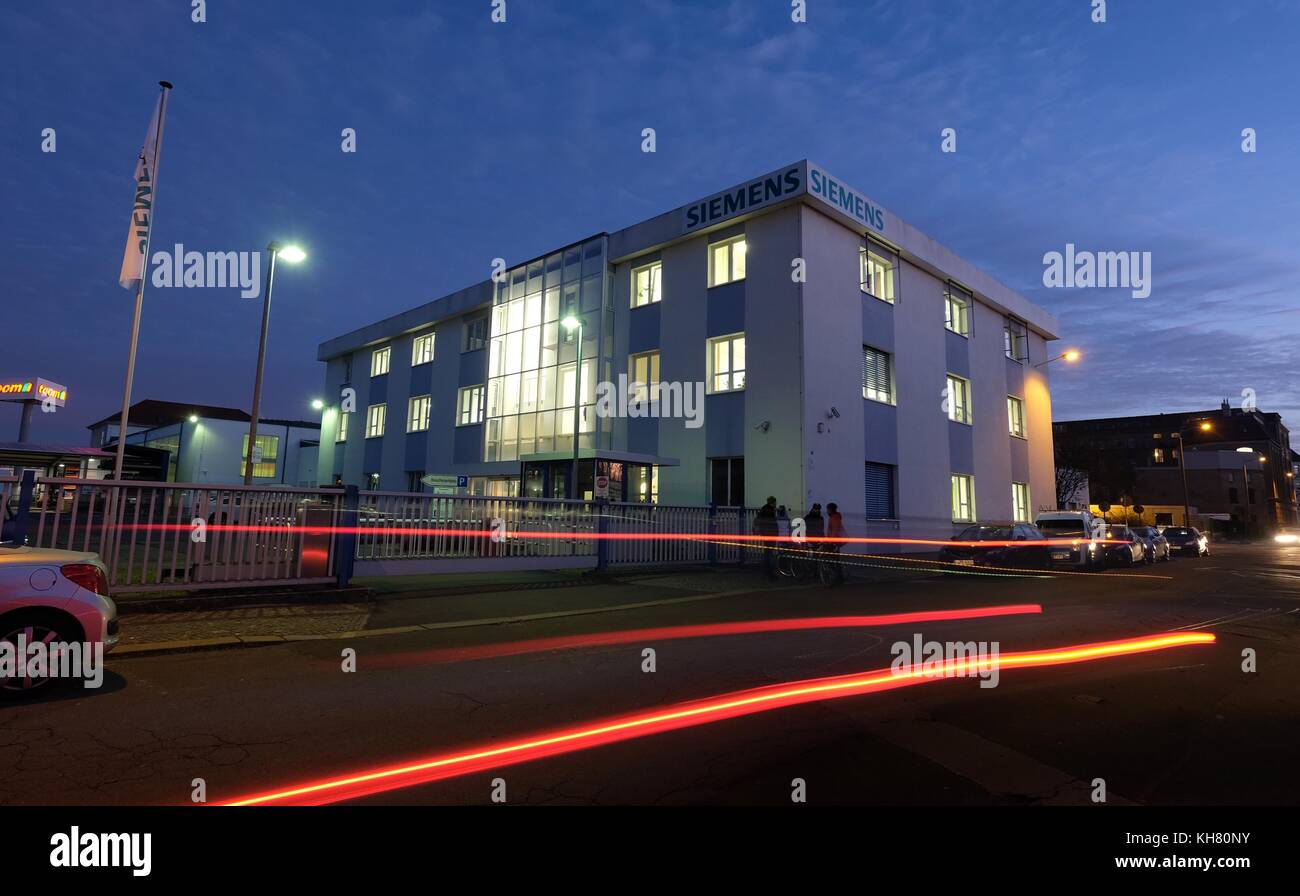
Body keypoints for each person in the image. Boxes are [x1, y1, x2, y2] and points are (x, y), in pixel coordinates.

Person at [753, 496, 779, 580]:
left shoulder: (764, 509)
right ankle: (770, 572)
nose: (776, 504)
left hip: (765, 533)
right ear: (773, 502)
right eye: (775, 502)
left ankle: (766, 571)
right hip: (770, 534)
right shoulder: (770, 511)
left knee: (767, 552)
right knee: (770, 553)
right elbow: (772, 523)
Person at [825, 502, 846, 584]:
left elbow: (834, 530)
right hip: (835, 541)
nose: (827, 511)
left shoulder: (834, 518)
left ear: (830, 509)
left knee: (833, 560)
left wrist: (831, 541)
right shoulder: (834, 517)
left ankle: (838, 577)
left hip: (834, 542)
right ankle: (839, 577)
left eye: (827, 509)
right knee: (835, 559)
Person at [804, 503, 825, 577]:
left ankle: (815, 572)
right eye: (816, 509)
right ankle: (811, 571)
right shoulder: (808, 518)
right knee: (811, 557)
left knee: (815, 557)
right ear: (813, 509)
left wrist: (823, 538)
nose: (817, 510)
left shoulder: (819, 518)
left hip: (816, 539)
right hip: (810, 539)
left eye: (818, 509)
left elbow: (821, 529)